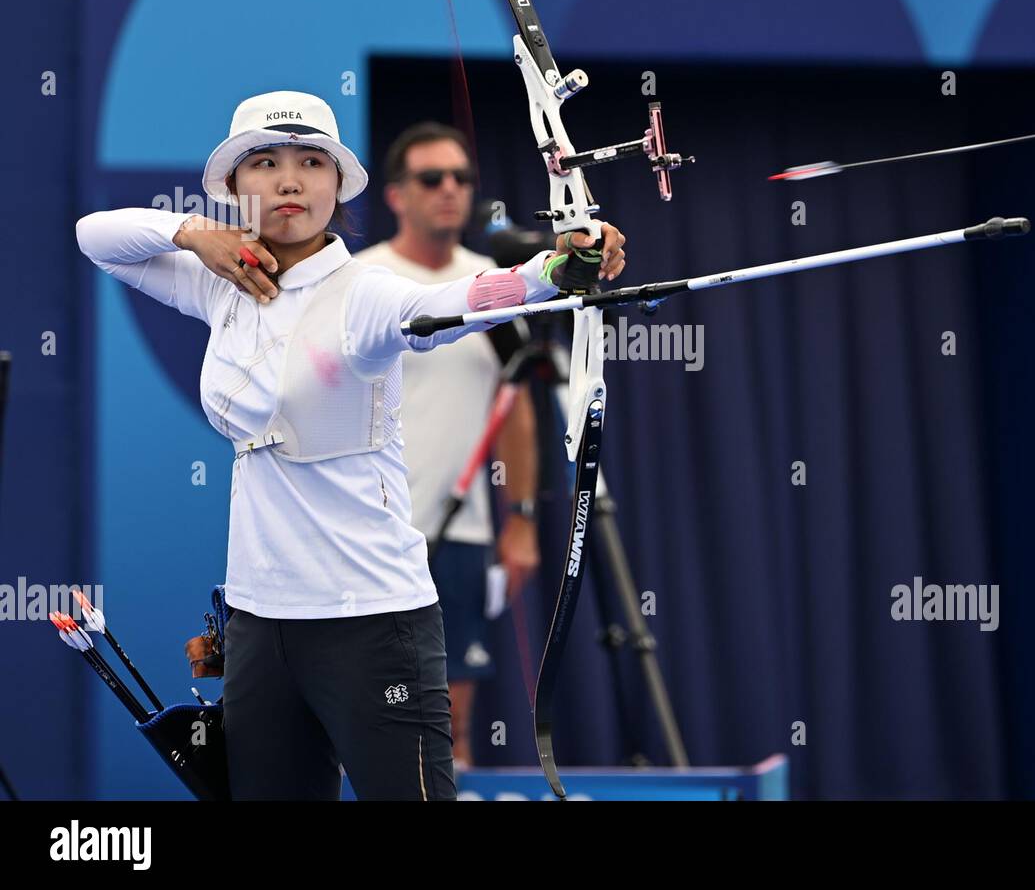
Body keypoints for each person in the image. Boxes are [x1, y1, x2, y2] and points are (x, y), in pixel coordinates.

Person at [75, 91, 627, 800]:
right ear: (236, 188)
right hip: (258, 621)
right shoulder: (222, 285)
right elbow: (95, 234)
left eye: (312, 162)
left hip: (372, 620)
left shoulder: (365, 291)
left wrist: (551, 274)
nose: (290, 180)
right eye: (265, 163)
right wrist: (192, 234)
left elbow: (457, 303)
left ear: (338, 185)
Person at [356, 123, 539, 768]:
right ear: (397, 195)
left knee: (449, 728)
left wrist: (519, 521)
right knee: (361, 720)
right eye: (432, 178)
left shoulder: (490, 283)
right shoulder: (360, 279)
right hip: (366, 536)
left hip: (460, 537)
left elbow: (514, 404)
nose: (451, 191)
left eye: (462, 178)